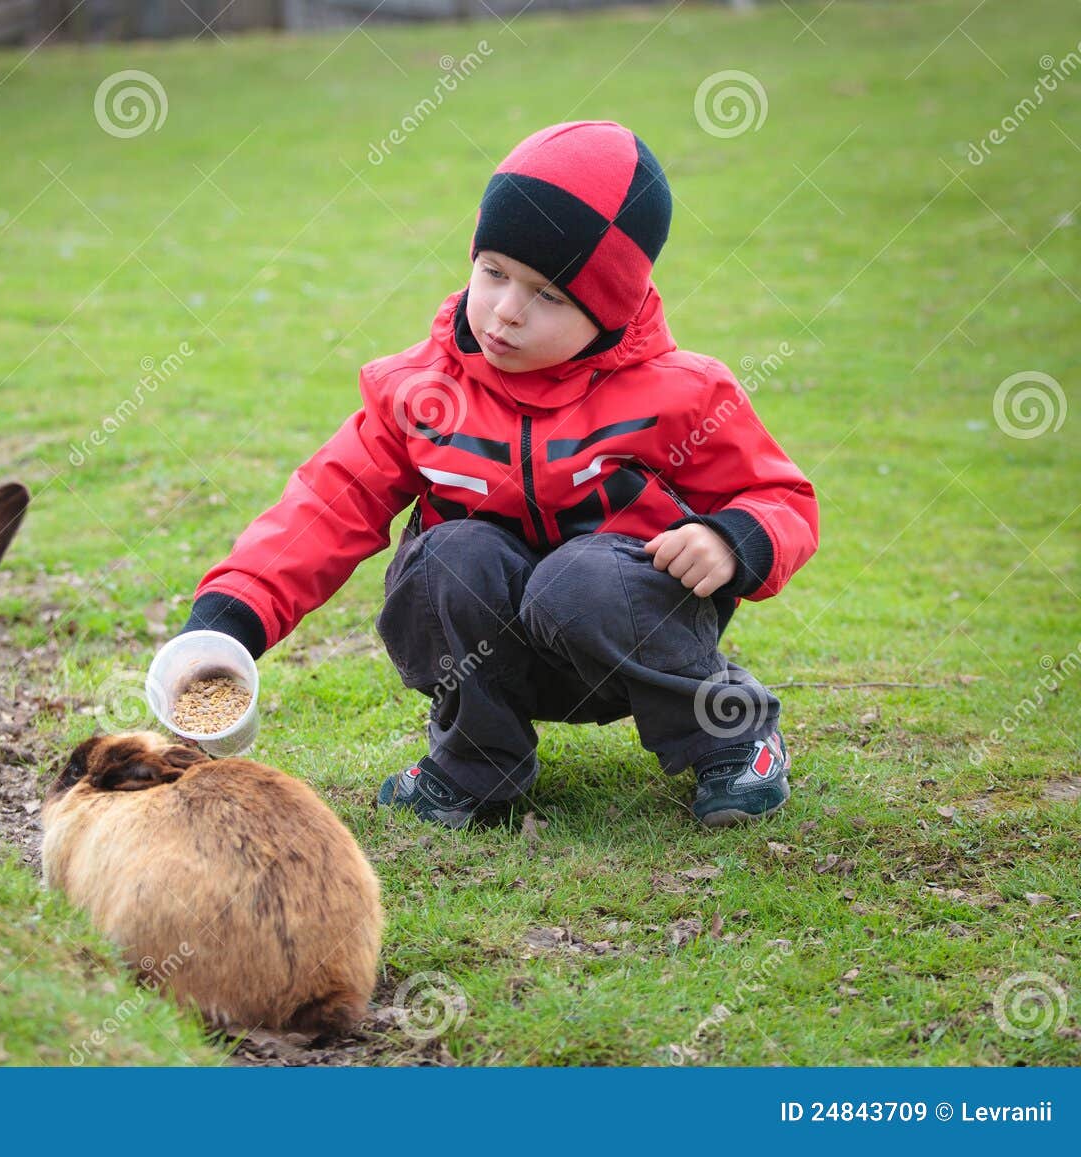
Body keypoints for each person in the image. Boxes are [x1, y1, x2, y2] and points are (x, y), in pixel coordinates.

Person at [167, 120, 818, 829]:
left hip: (625, 640)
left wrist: (731, 540)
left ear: (611, 309)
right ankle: (478, 763)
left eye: (550, 295)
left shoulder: (680, 393)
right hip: (491, 651)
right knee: (451, 552)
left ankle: (732, 737)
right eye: (495, 272)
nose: (507, 311)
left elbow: (780, 495)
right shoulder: (420, 392)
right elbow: (329, 502)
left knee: (580, 578)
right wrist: (231, 618)